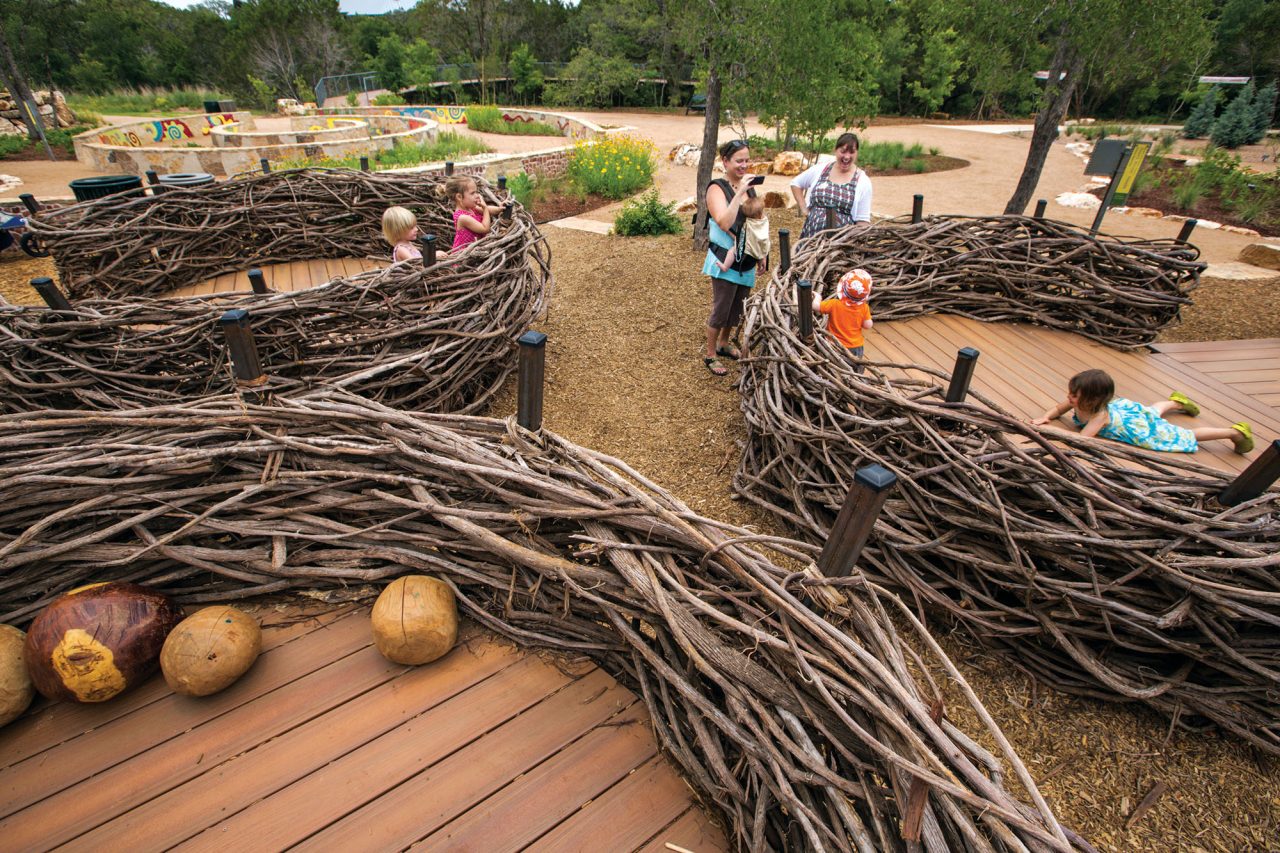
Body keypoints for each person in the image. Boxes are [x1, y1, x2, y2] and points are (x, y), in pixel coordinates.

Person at [1033, 369, 1255, 454]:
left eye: (1074, 396)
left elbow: (1084, 439)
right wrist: (1046, 417)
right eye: (1071, 393)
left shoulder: (1100, 415)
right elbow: (1057, 409)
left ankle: (1234, 432)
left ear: (1093, 400)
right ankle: (1176, 403)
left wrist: (1052, 434)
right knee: (1151, 412)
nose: (1069, 398)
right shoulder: (1077, 402)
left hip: (1133, 428)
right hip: (1129, 415)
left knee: (1179, 433)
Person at [702, 138, 758, 376]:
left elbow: (756, 223)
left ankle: (724, 344)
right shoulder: (716, 188)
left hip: (746, 258)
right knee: (721, 308)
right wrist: (740, 193)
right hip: (724, 258)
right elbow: (724, 221)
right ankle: (710, 353)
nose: (744, 165)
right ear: (725, 162)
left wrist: (762, 254)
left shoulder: (750, 187)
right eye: (739, 161)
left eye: (747, 160)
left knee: (737, 307)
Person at [790, 132, 872, 239]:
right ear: (835, 150)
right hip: (811, 237)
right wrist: (804, 209)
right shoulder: (821, 169)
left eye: (852, 152)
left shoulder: (863, 181)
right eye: (842, 151)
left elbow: (863, 222)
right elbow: (796, 183)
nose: (847, 157)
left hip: (840, 244)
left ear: (857, 153)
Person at [813, 268, 874, 372]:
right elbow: (868, 325)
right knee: (855, 366)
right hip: (856, 346)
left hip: (835, 344)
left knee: (836, 366)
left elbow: (816, 307)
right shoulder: (864, 308)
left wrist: (817, 297)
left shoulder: (834, 304)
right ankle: (857, 380)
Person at [440, 175, 504, 252]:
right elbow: (485, 228)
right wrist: (485, 209)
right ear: (459, 197)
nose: (477, 195)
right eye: (472, 193)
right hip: (464, 256)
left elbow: (489, 210)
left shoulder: (471, 208)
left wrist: (499, 209)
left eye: (476, 192)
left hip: (475, 251)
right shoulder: (462, 217)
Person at [713, 193, 770, 275]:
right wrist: (762, 257)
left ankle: (725, 266)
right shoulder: (764, 221)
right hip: (758, 250)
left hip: (746, 250)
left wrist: (726, 229)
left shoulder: (747, 224)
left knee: (732, 251)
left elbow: (738, 235)